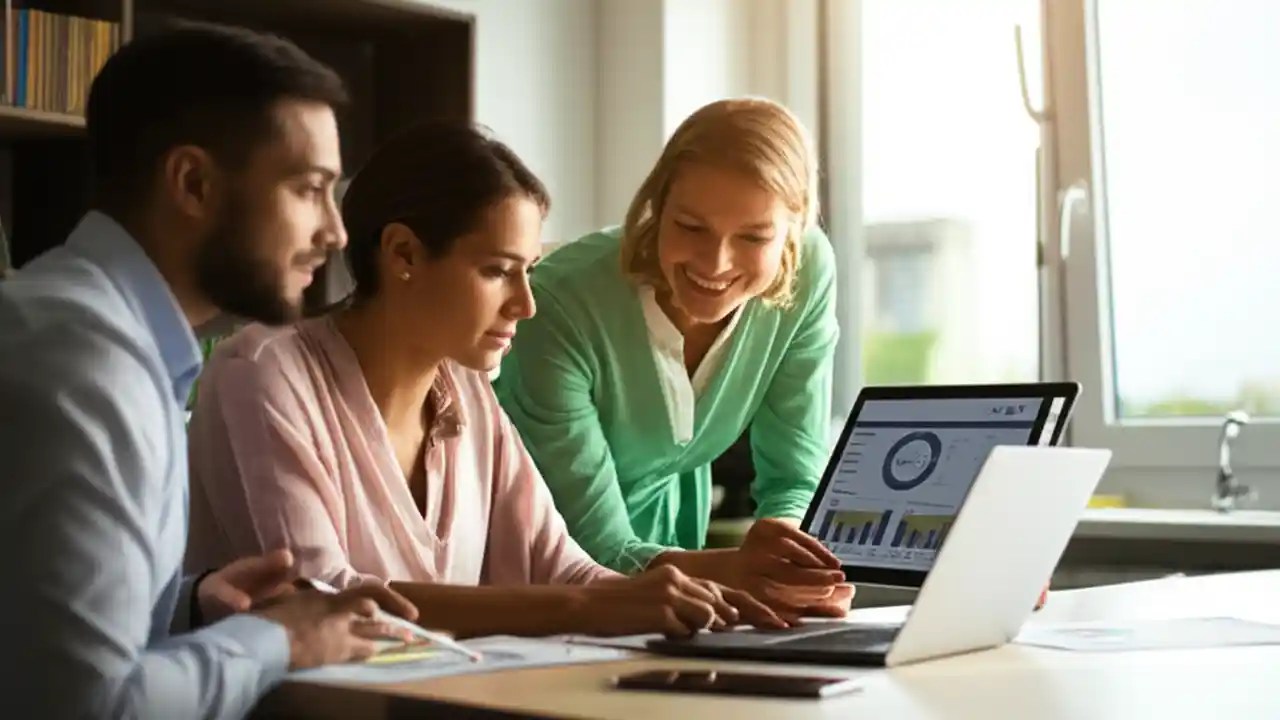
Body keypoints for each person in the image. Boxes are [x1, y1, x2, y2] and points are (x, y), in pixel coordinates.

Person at [185, 121, 786, 640]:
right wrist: (586, 607)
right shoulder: (264, 373)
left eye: (529, 272)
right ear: (403, 255)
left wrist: (711, 600)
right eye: (498, 272)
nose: (525, 304)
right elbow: (324, 598)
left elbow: (565, 570)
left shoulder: (466, 390)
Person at [0, 23, 419, 719]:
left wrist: (188, 603)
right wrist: (273, 641)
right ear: (192, 183)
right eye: (309, 189)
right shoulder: (86, 367)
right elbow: (87, 708)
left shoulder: (103, 339)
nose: (337, 234)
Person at [495, 98, 853, 618]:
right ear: (657, 205)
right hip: (538, 588)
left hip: (679, 583)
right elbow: (592, 547)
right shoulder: (559, 304)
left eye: (754, 237)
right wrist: (743, 572)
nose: (715, 263)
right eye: (690, 226)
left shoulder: (807, 271)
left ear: (793, 229)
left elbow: (794, 473)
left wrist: (791, 560)